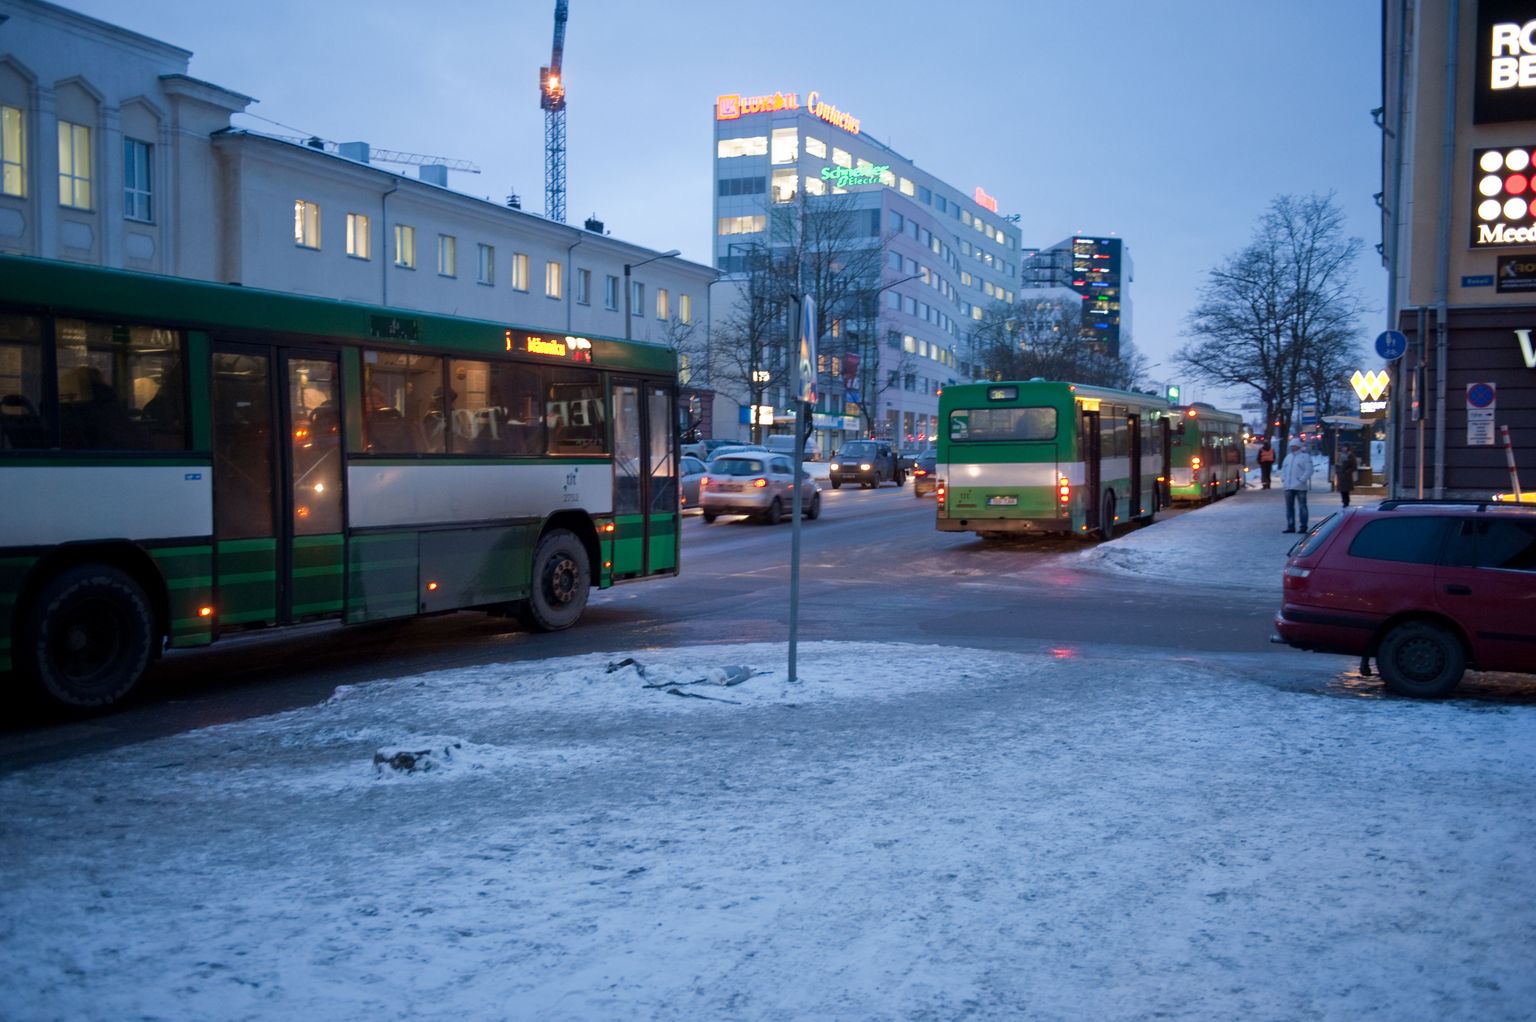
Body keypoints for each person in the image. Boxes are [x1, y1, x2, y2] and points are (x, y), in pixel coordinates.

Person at [1281, 439, 1313, 533]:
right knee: (1289, 507)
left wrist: (1301, 480)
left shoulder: (1305, 457)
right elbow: (1283, 470)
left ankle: (1303, 526)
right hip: (1288, 486)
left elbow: (1309, 470)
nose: (1292, 448)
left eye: (1294, 446)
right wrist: (1284, 479)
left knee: (1302, 507)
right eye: (1291, 446)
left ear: (1298, 446)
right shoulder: (1288, 457)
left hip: (1300, 487)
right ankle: (1291, 526)